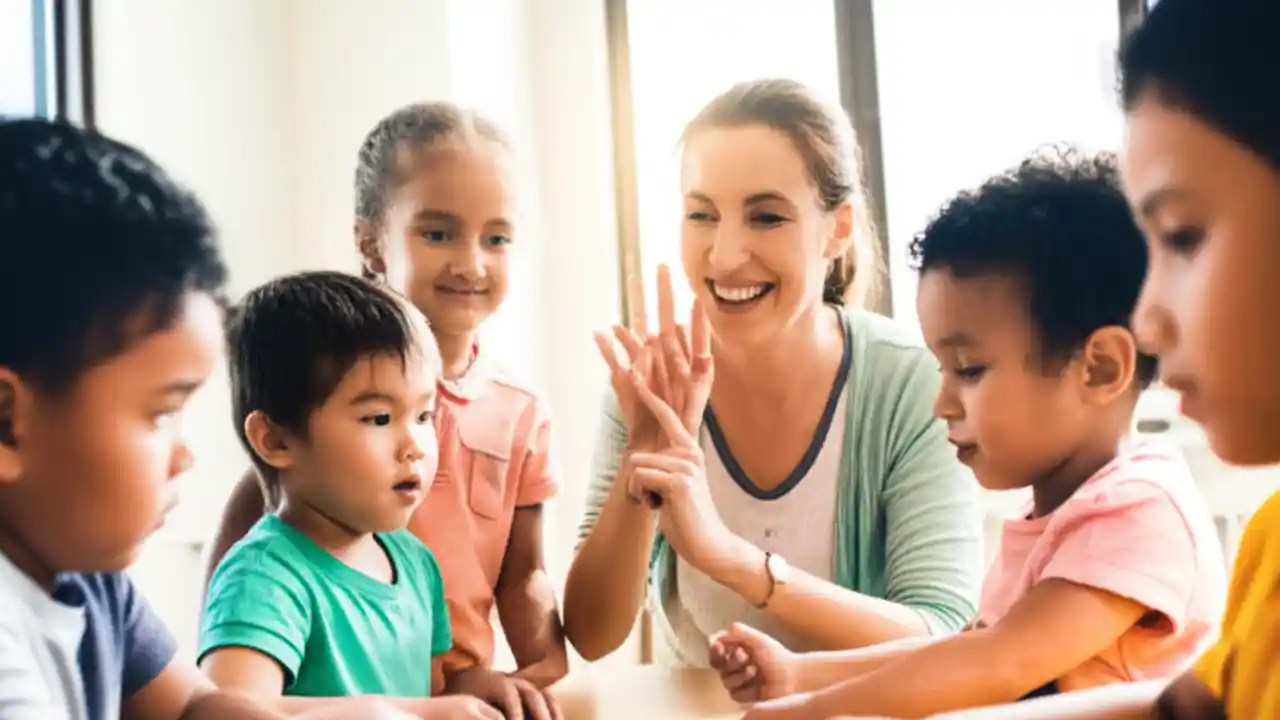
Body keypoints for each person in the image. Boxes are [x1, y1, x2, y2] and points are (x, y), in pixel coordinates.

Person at [709, 149, 1225, 719]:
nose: (941, 403)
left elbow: (1000, 665)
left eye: (970, 370)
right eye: (941, 370)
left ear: (1099, 368)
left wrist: (809, 712)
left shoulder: (1139, 510)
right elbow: (965, 652)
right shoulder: (1063, 511)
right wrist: (800, 674)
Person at [921, 1, 1280, 717]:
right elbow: (1177, 708)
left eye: (1182, 238)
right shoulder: (1271, 541)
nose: (1148, 317)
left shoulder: (1138, 506)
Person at [0, 118, 414, 720]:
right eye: (162, 413)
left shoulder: (86, 580)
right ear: (9, 425)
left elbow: (195, 709)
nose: (184, 453)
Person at [564, 78, 984, 666]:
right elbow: (590, 636)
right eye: (702, 215)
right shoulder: (653, 382)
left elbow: (941, 637)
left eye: (766, 218)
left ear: (837, 229)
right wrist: (640, 471)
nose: (726, 254)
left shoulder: (908, 384)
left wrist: (733, 559)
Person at [205, 103, 565, 720]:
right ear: (371, 243)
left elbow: (517, 582)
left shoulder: (414, 566)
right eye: (437, 232)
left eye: (425, 416)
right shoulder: (269, 570)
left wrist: (508, 675)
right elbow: (226, 702)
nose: (471, 263)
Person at [199, 272, 500, 720]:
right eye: (379, 418)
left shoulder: (416, 563)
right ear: (277, 441)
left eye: (423, 415)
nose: (415, 444)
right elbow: (231, 711)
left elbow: (433, 698)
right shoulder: (263, 578)